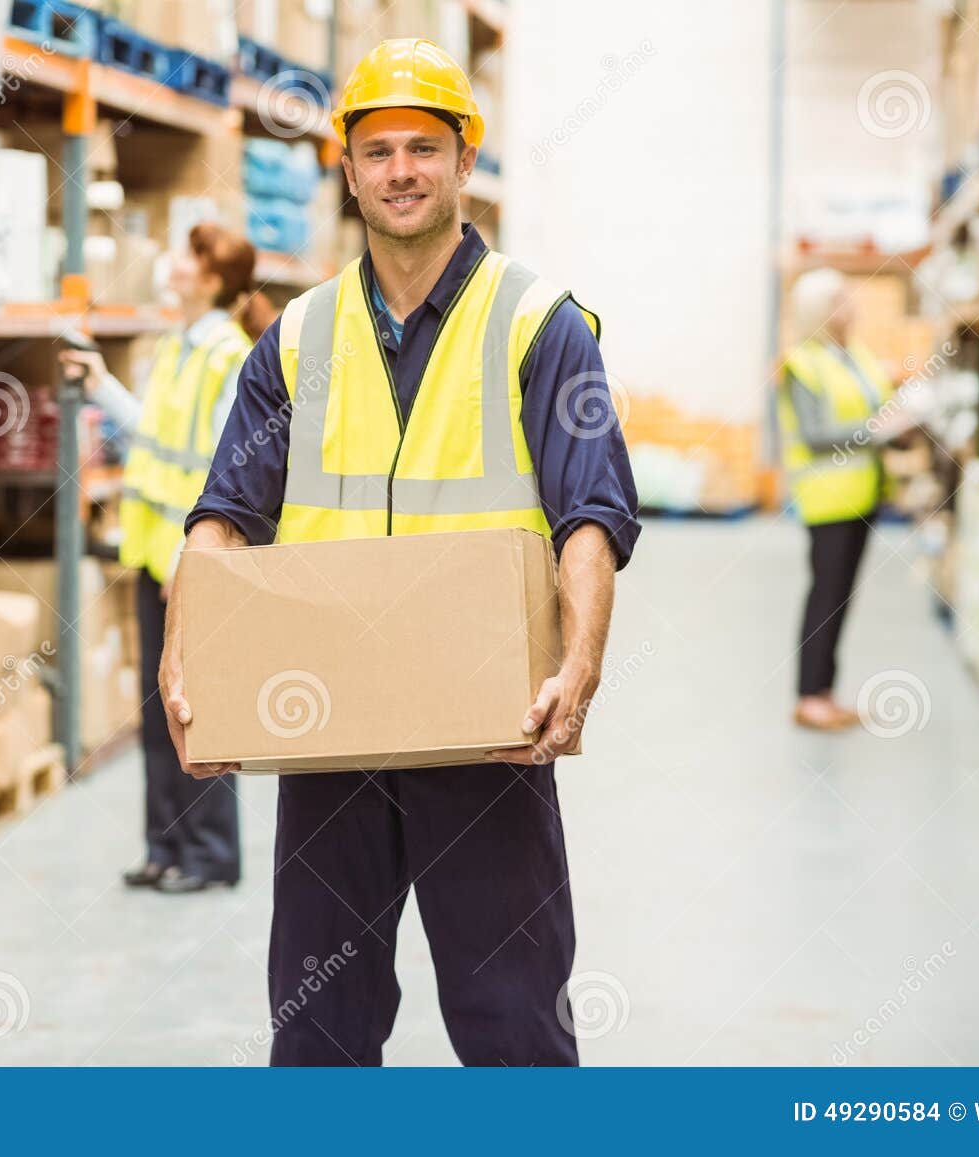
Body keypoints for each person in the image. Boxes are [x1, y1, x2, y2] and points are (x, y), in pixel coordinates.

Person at [160, 39, 640, 1065]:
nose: (401, 170)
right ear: (347, 166)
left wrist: (581, 664)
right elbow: (221, 514)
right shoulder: (296, 337)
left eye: (425, 146)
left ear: (465, 161)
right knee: (317, 1026)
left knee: (512, 1021)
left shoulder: (538, 325)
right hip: (327, 728)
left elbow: (590, 514)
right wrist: (184, 645)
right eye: (378, 150)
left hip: (486, 732)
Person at [59, 223, 274, 894]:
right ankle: (165, 846)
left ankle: (209, 853)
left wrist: (195, 557)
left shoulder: (226, 357)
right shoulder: (177, 348)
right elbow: (156, 434)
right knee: (157, 709)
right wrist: (99, 383)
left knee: (196, 708)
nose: (172, 264)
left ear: (210, 278)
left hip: (191, 561)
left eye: (187, 255)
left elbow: (225, 467)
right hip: (156, 553)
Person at [776, 267, 914, 732]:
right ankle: (809, 697)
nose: (850, 308)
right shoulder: (802, 364)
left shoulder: (854, 357)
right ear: (819, 312)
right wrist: (878, 431)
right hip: (828, 498)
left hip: (863, 492)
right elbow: (816, 435)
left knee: (839, 598)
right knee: (825, 596)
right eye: (840, 302)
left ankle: (824, 693)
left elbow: (877, 410)